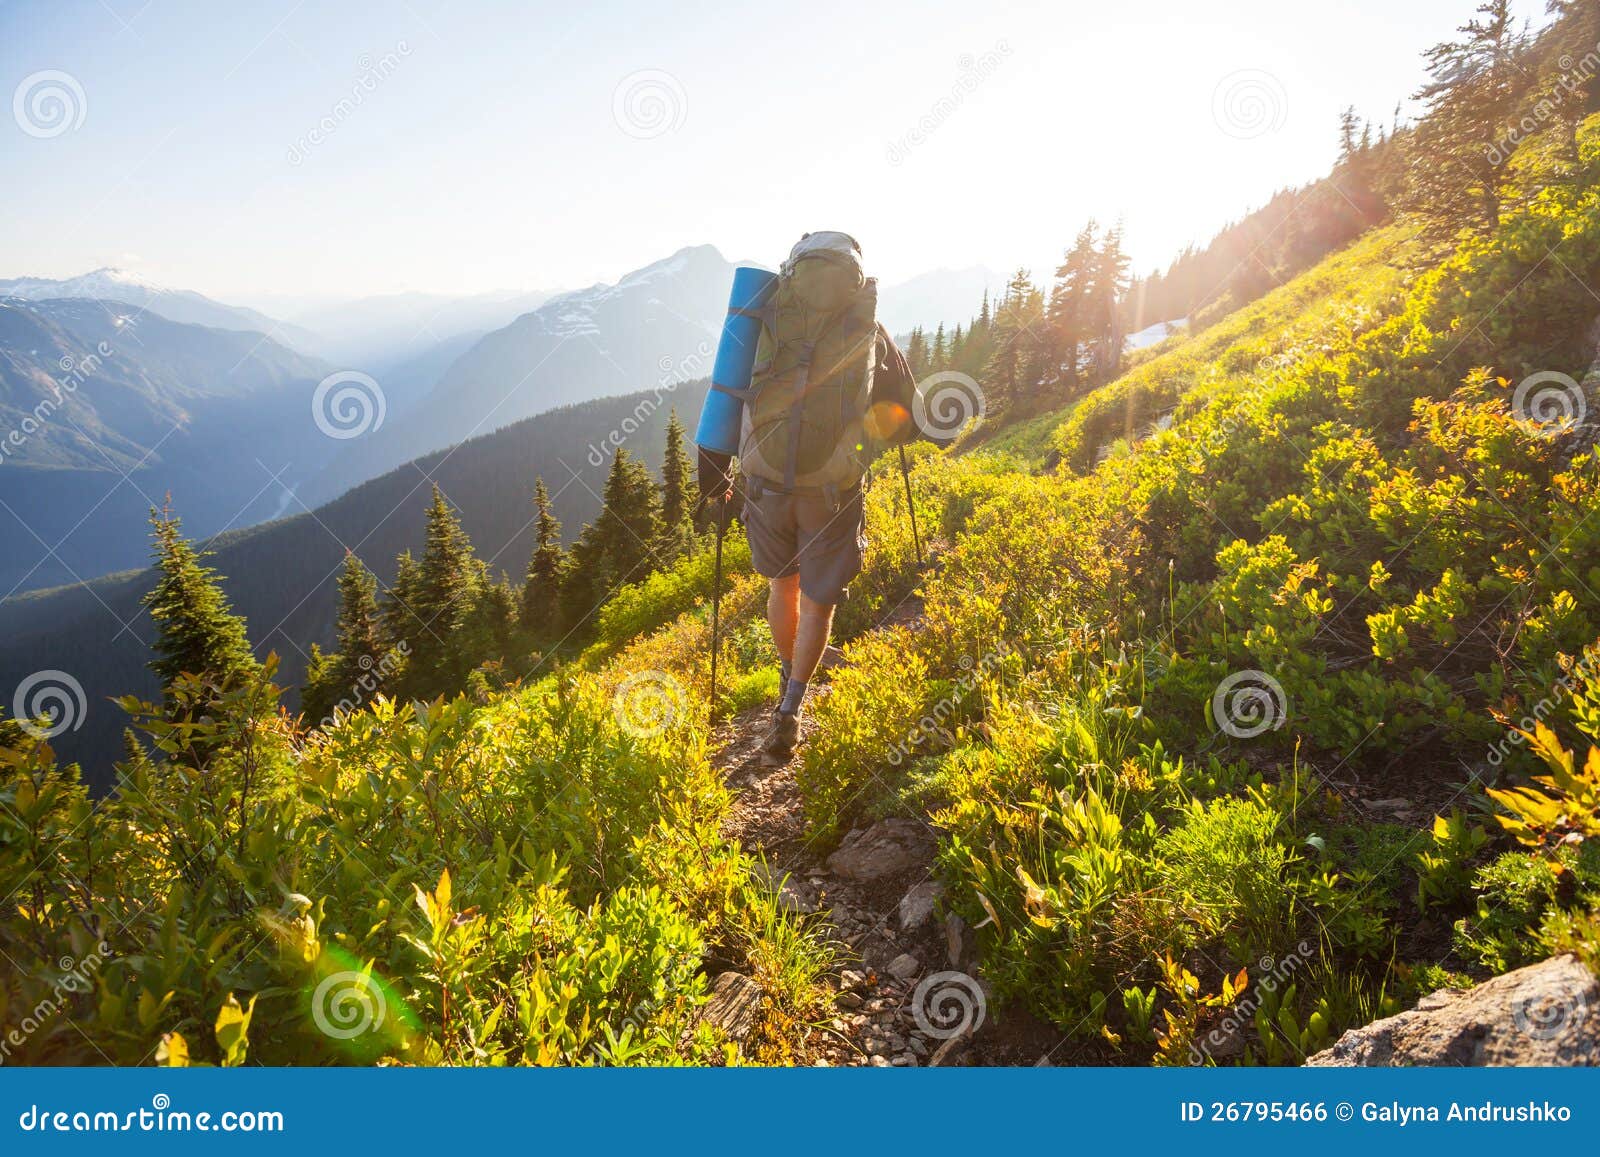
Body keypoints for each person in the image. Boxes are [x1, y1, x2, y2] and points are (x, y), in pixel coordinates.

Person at [697, 231, 919, 766]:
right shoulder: (868, 326)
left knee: (783, 584)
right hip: (831, 489)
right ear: (855, 277)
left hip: (766, 481)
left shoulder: (763, 316)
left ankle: (785, 669)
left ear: (794, 270)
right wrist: (864, 447)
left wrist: (713, 474)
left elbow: (724, 392)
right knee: (819, 600)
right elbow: (904, 411)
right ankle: (791, 707)